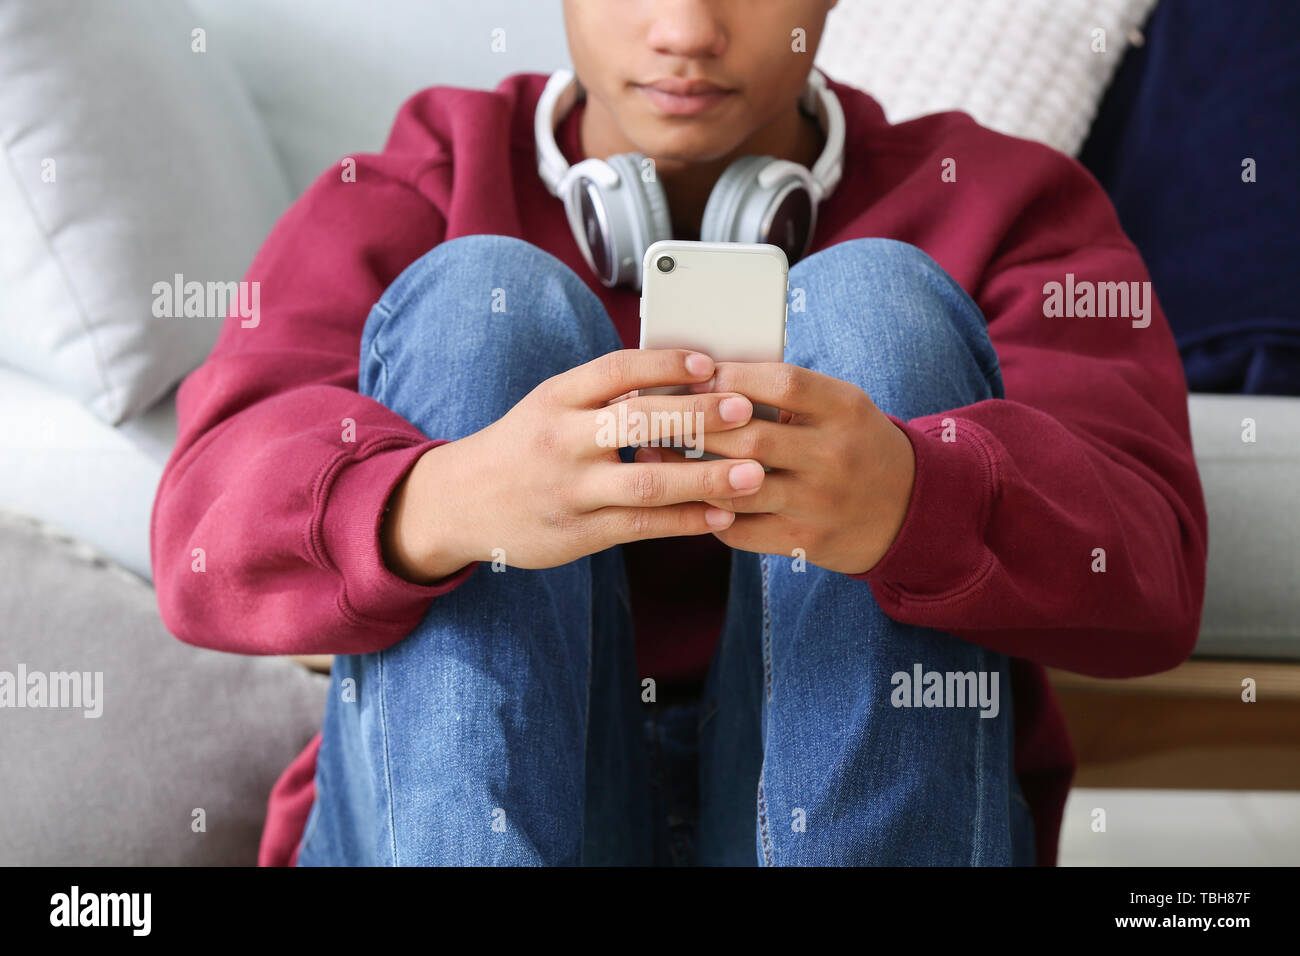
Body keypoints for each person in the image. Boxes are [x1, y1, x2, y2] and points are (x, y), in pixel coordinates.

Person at [152, 0, 1208, 866]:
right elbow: (197, 541)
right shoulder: (412, 183)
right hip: (456, 820)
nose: (688, 31)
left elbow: (1151, 573)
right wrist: (442, 500)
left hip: (872, 818)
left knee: (875, 303)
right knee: (484, 297)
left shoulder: (1002, 201)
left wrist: (919, 498)